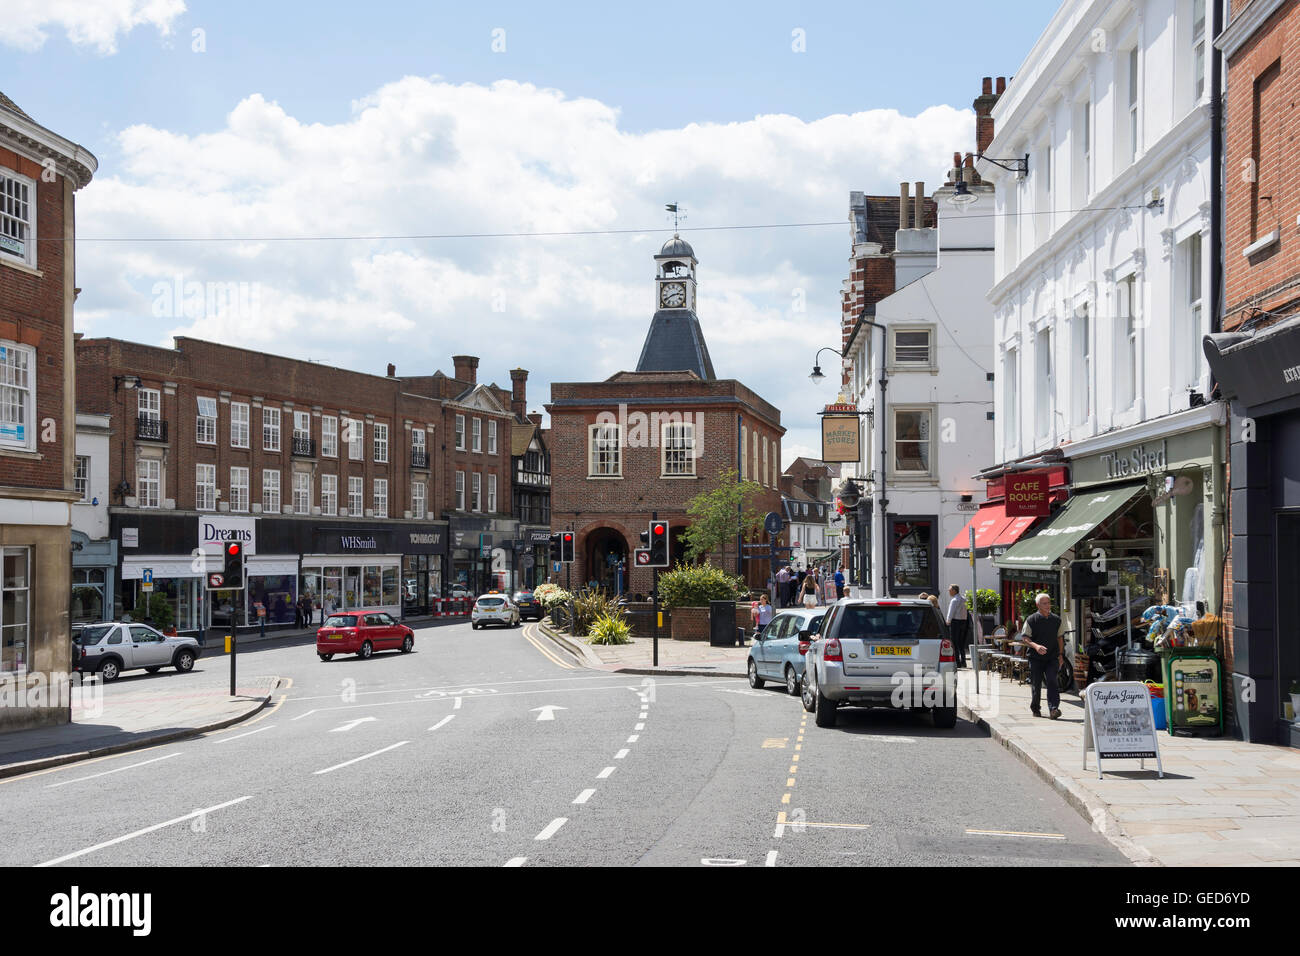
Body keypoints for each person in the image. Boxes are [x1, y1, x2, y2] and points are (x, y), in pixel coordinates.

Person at [1020, 592, 1066, 719]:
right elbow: (1025, 638)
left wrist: (1061, 655)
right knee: (1037, 684)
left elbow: (1060, 638)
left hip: (1052, 657)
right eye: (1044, 603)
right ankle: (1035, 708)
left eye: (1048, 603)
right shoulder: (1031, 619)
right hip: (1035, 658)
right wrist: (1036, 646)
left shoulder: (1056, 620)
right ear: (1038, 605)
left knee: (1052, 680)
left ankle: (1053, 709)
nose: (1047, 605)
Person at [946, 585, 969, 668]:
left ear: (954, 590)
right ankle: (964, 662)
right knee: (961, 643)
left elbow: (950, 612)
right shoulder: (964, 599)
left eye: (950, 590)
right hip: (963, 622)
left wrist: (948, 621)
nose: (948, 591)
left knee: (954, 643)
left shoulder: (954, 600)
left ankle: (957, 662)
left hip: (955, 622)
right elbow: (965, 612)